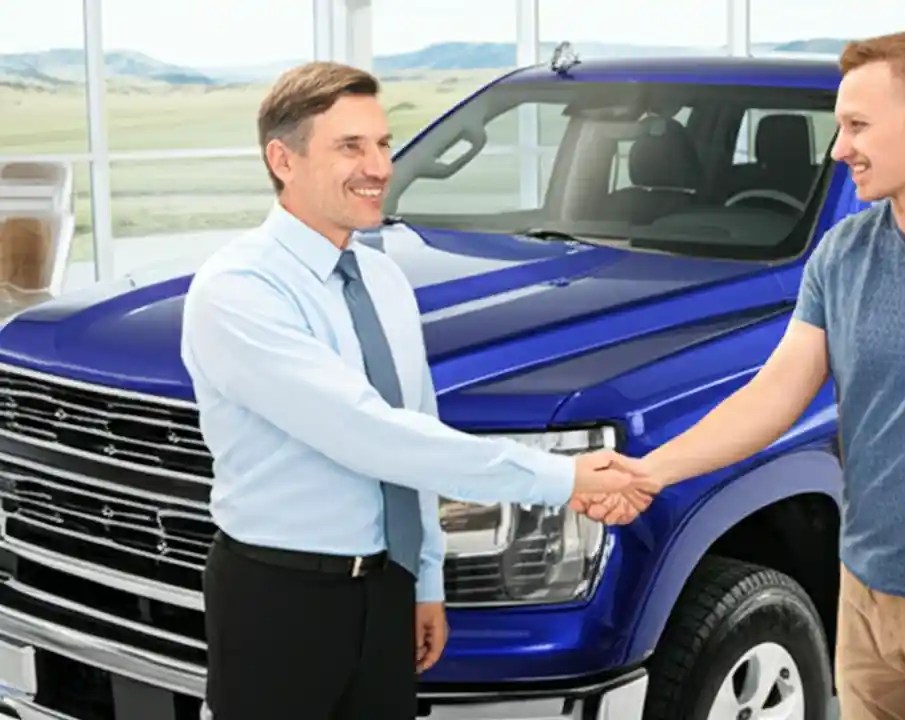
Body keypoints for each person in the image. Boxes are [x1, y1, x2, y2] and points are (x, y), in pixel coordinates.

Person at [575, 32, 905, 719]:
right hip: (863, 591)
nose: (837, 148)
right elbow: (776, 394)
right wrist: (654, 472)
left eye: (857, 125)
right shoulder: (843, 252)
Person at [180, 62, 654, 720]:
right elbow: (370, 435)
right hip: (281, 596)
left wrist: (422, 579)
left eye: (383, 144)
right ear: (282, 160)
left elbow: (418, 432)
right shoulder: (239, 291)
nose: (378, 167)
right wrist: (562, 478)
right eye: (351, 147)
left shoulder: (382, 280)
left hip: (384, 590)